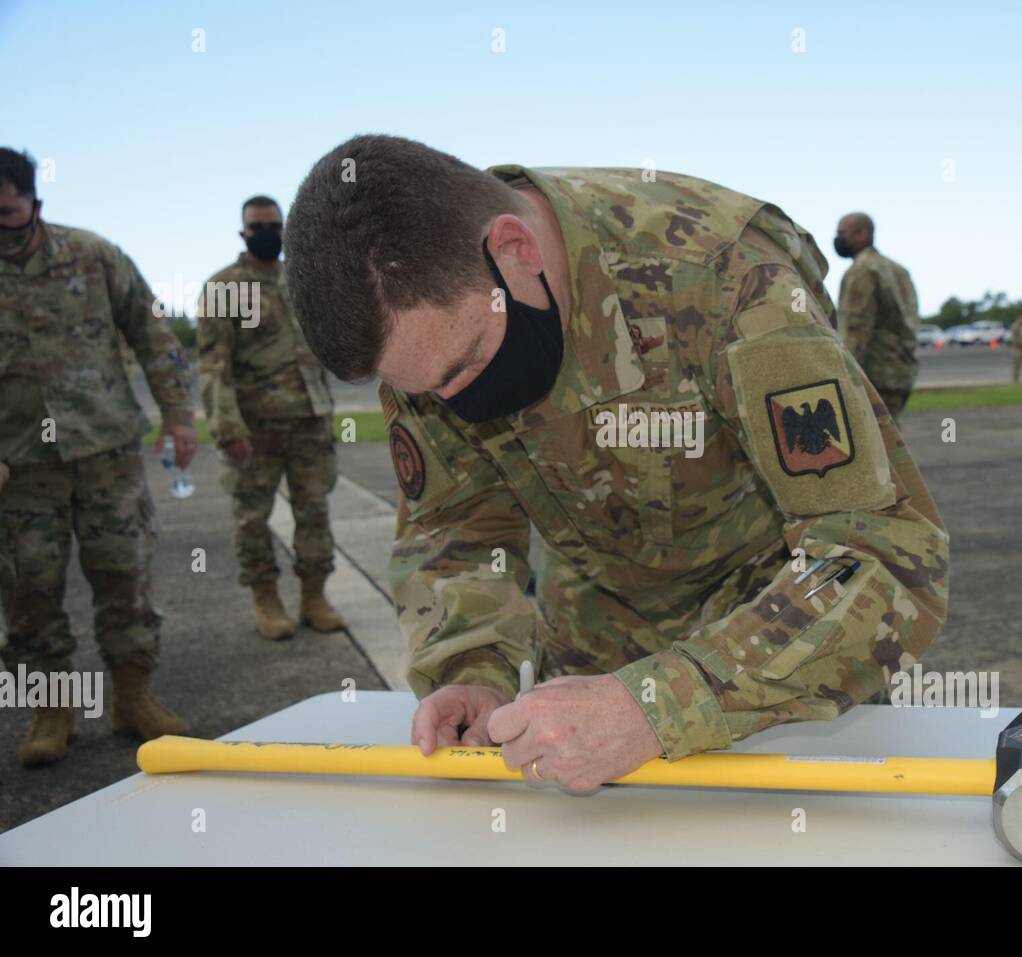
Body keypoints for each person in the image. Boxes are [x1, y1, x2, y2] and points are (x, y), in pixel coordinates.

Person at [283, 135, 950, 793]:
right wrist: (472, 666)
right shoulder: (423, 331)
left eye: (470, 363)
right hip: (592, 628)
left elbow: (880, 554)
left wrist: (660, 704)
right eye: (423, 392)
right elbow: (454, 528)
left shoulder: (729, 274)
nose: (453, 404)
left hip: (777, 631)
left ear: (516, 250)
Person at [0, 147, 192, 767]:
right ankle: (52, 710)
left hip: (106, 452)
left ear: (34, 204)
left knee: (125, 578)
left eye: (7, 212)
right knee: (30, 594)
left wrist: (179, 415)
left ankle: (134, 697)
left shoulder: (93, 256)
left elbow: (152, 332)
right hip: (20, 467)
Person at [197, 196, 344, 639]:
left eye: (275, 225)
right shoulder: (225, 288)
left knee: (314, 511)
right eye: (257, 226)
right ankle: (266, 599)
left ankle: (314, 596)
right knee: (252, 518)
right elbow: (213, 366)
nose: (267, 233)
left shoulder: (304, 281)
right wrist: (227, 428)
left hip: (310, 421)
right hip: (255, 427)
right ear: (242, 231)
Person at [832, 213, 919, 420]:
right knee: (890, 437)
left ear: (863, 234)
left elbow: (855, 329)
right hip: (900, 371)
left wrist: (843, 375)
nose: (837, 239)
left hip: (875, 374)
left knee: (877, 444)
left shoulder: (862, 271)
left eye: (842, 233)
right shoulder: (897, 269)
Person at [1009, 314, 1022, 383]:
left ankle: (1016, 379)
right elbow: (1017, 340)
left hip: (1019, 348)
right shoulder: (1016, 328)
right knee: (1016, 365)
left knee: (1018, 365)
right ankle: (1015, 379)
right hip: (1017, 348)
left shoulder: (1017, 327)